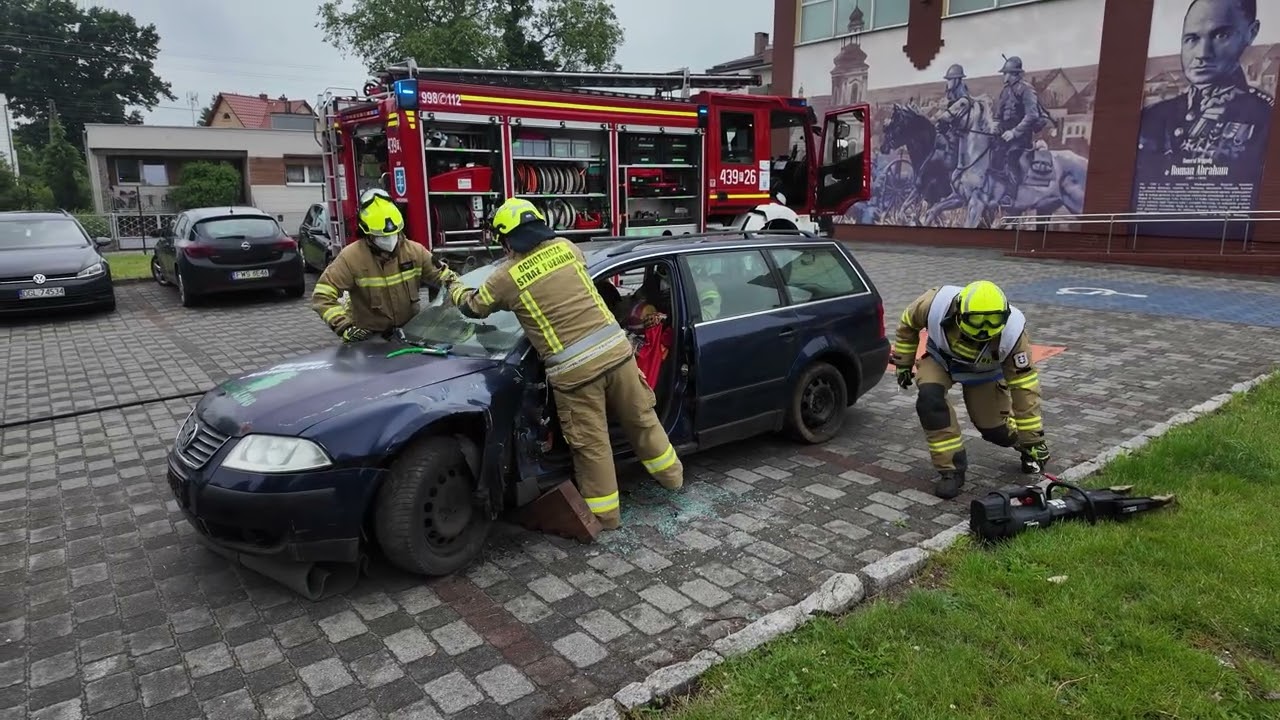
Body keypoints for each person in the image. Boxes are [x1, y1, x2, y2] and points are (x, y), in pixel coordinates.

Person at [442, 198, 683, 529]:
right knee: (642, 419)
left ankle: (605, 516)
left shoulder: (505, 277)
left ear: (506, 240)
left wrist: (456, 286)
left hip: (576, 374)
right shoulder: (568, 248)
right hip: (618, 354)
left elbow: (473, 308)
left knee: (592, 443)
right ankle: (673, 479)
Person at [890, 280, 1050, 499]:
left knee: (996, 431)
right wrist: (903, 363)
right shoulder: (934, 304)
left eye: (993, 321)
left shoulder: (1013, 334)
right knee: (929, 400)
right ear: (959, 312)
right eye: (976, 321)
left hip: (984, 372)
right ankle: (951, 470)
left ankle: (1025, 448)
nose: (984, 330)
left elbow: (1024, 388)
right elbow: (908, 324)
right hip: (942, 360)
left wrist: (1033, 439)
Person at [311, 189, 458, 342]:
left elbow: (447, 278)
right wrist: (344, 327)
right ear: (366, 232)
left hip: (409, 334)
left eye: (392, 234)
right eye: (381, 236)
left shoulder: (414, 251)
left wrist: (465, 296)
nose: (388, 239)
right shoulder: (351, 257)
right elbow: (322, 296)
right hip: (368, 339)